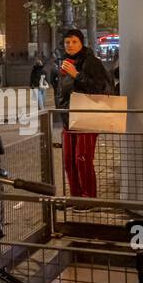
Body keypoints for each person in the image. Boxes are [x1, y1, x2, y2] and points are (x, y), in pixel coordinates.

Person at [56, 29, 112, 198]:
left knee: (82, 159)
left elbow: (100, 88)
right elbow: (61, 91)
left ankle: (89, 197)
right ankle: (75, 196)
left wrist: (77, 75)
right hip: (69, 118)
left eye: (74, 42)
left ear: (81, 43)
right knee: (68, 161)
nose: (70, 45)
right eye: (67, 42)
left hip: (87, 116)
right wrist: (62, 109)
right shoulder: (66, 62)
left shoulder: (91, 62)